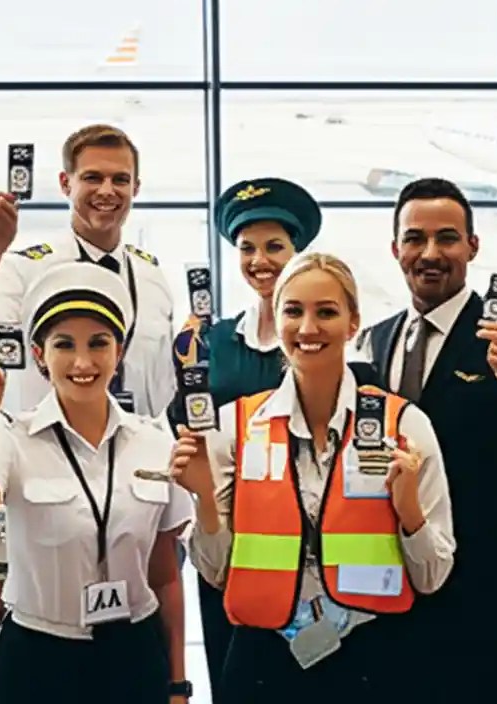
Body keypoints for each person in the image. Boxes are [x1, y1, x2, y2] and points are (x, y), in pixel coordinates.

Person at [0, 125, 185, 685]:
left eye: (120, 179)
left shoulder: (153, 274)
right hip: (44, 517)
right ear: (65, 182)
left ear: (137, 186)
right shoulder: (23, 266)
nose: (106, 190)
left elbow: (161, 391)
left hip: (136, 498)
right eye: (92, 177)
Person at [180, 251, 455, 701]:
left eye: (326, 312)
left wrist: (408, 512)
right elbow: (214, 572)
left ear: (353, 324)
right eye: (293, 311)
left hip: (371, 654)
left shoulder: (404, 426)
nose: (307, 329)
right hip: (262, 658)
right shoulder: (235, 427)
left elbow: (432, 576)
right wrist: (204, 498)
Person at [351, 176, 497, 701]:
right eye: (415, 238)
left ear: (472, 246)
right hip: (389, 576)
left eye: (447, 238)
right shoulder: (376, 341)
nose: (430, 253)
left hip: (482, 585)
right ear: (395, 248)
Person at [0, 261, 198, 704]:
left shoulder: (155, 440)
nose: (82, 362)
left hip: (134, 653)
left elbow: (165, 577)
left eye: (99, 343)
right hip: (37, 656)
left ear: (118, 351)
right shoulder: (11, 436)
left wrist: (178, 683)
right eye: (64, 345)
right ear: (39, 355)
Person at [165, 176, 320, 701]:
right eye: (247, 249)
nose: (260, 261)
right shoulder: (212, 340)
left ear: (298, 252)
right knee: (237, 678)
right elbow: (186, 424)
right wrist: (182, 366)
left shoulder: (321, 336)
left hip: (313, 535)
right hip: (231, 533)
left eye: (274, 247)